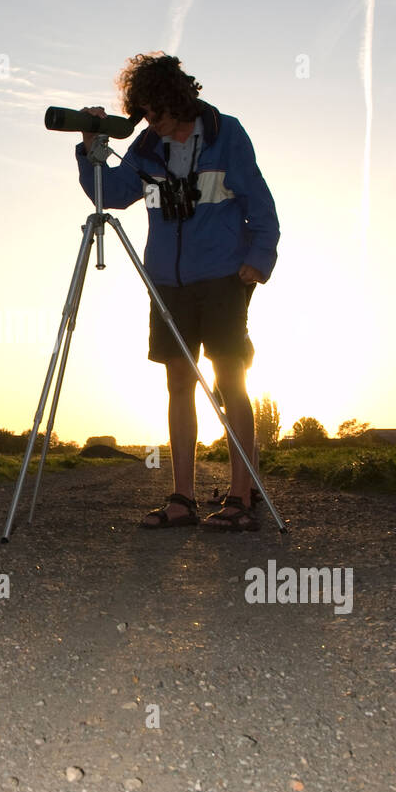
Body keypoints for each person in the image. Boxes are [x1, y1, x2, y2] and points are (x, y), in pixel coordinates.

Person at [76, 53, 279, 531]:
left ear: (179, 99)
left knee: (231, 383)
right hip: (167, 281)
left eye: (158, 112)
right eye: (145, 114)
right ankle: (182, 499)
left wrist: (260, 259)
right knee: (179, 385)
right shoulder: (147, 148)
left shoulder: (227, 134)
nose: (153, 122)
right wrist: (90, 146)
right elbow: (112, 195)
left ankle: (240, 497)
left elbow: (260, 202)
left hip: (225, 276)